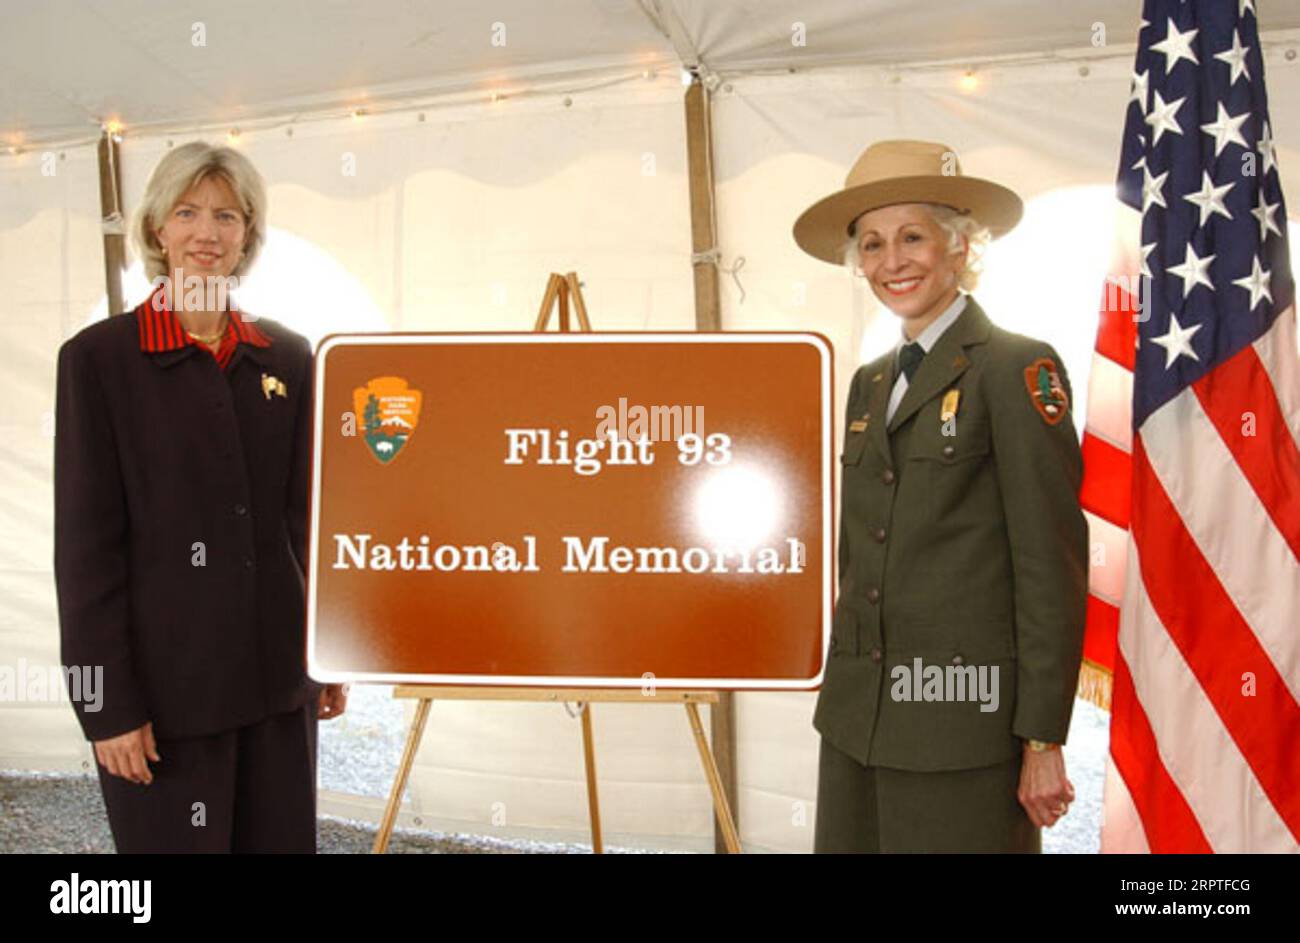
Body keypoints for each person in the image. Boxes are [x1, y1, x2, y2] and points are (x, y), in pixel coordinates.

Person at [793, 139, 1088, 853]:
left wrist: (1043, 734)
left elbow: (1050, 567)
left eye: (913, 237)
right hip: (859, 722)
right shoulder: (869, 383)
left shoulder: (1018, 368)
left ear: (959, 247)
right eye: (872, 243)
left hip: (962, 724)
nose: (892, 260)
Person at [53, 140, 347, 853]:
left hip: (279, 686)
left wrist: (328, 654)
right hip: (162, 702)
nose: (206, 233)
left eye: (227, 215)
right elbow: (86, 552)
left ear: (248, 233)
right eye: (187, 211)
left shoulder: (289, 356)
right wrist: (105, 709)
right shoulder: (99, 361)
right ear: (157, 227)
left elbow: (306, 521)